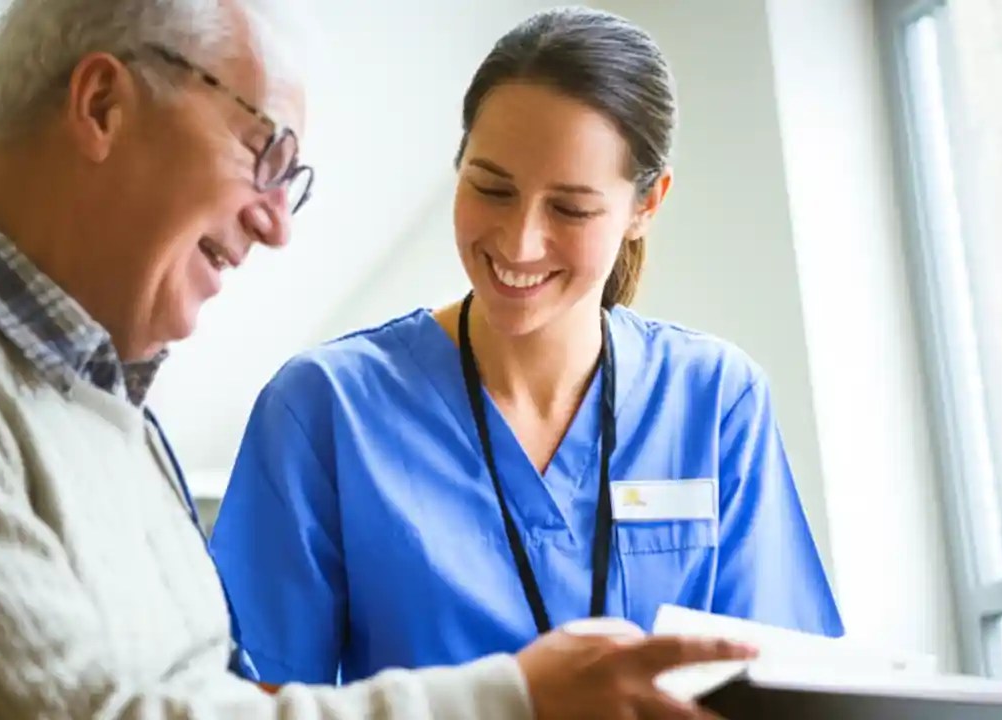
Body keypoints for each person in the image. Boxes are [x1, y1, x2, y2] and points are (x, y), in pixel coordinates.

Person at [0, 0, 757, 717]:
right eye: (266, 152)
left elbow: (216, 693)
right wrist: (516, 700)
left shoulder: (100, 402)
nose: (279, 223)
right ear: (102, 105)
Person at [210, 4, 844, 692]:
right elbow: (251, 702)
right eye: (492, 188)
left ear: (646, 204)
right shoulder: (325, 410)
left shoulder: (715, 400)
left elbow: (784, 686)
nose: (519, 243)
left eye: (570, 208)